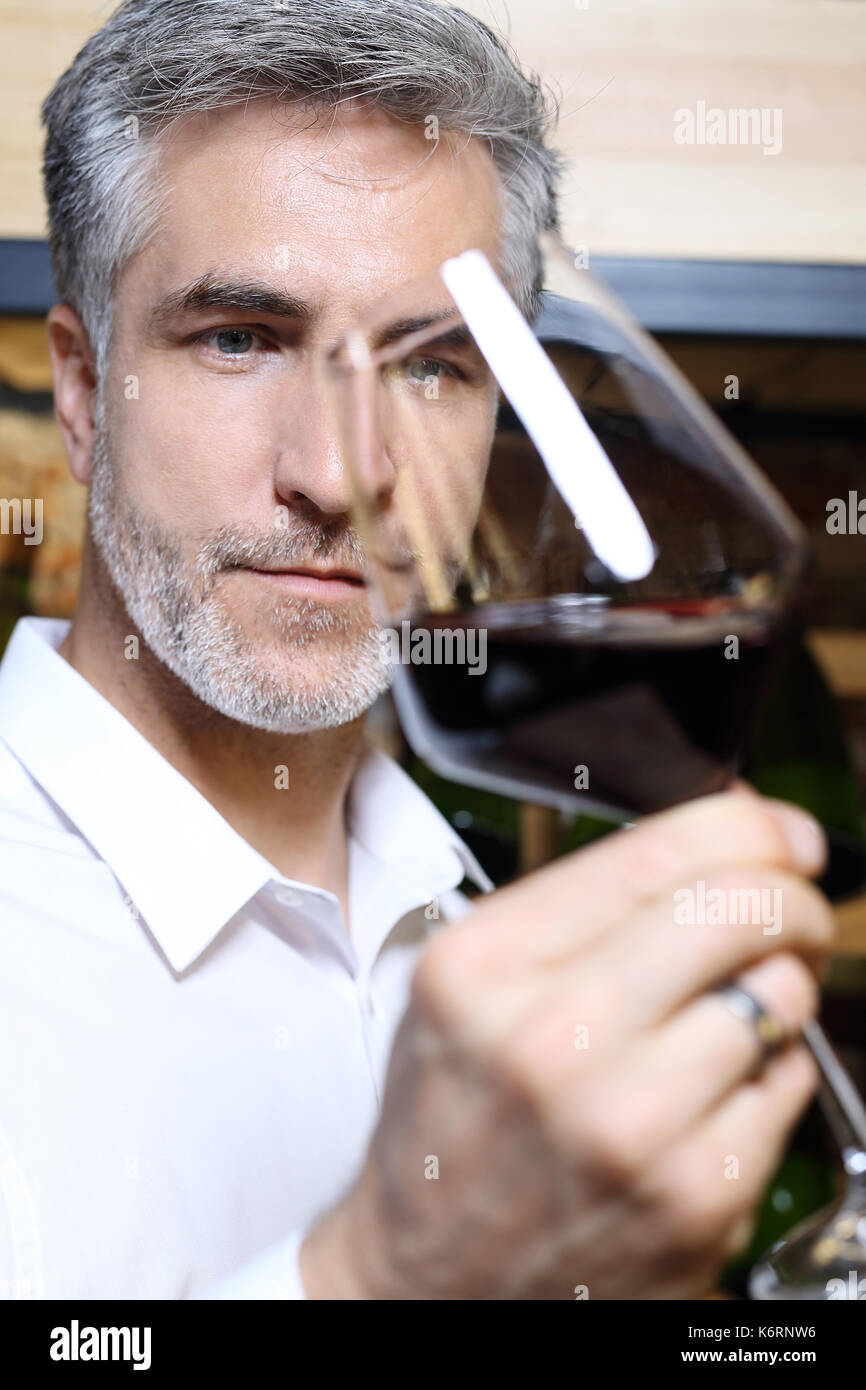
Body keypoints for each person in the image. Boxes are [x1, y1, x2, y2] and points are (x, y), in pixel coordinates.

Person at [0, 0, 833, 1300]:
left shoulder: (483, 909)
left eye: (433, 365)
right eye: (240, 338)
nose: (340, 476)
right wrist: (383, 1272)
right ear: (88, 388)